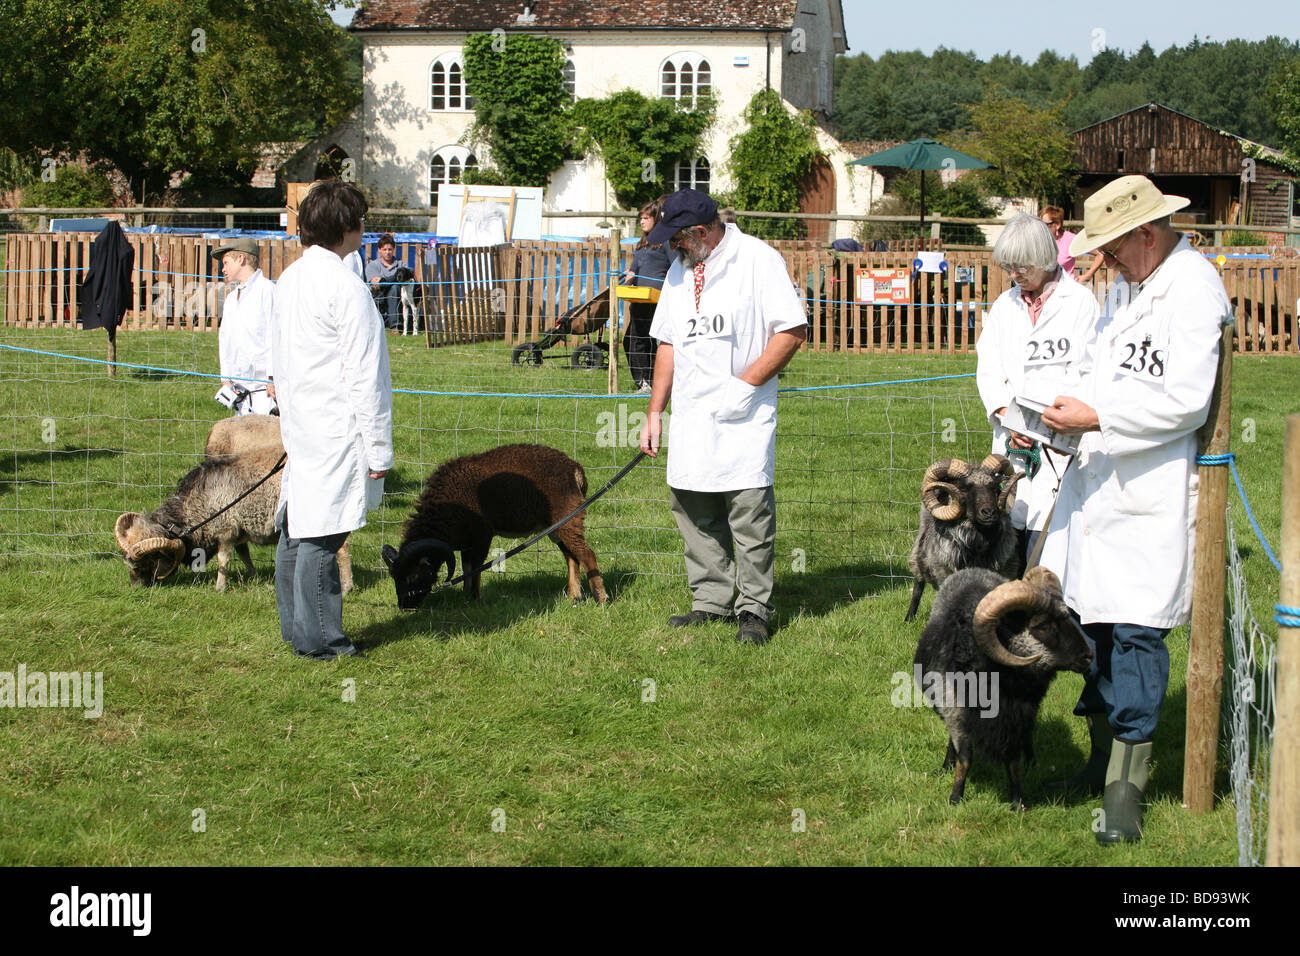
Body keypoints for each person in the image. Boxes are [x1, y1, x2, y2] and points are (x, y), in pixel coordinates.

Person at [1039, 175, 1231, 844]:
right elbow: (1101, 367)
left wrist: (1100, 417)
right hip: (1101, 484)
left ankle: (1126, 788)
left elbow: (1185, 400)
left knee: (1139, 634)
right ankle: (1099, 762)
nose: (1105, 264)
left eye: (1113, 250)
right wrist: (1066, 410)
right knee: (1094, 630)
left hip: (1150, 488)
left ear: (1146, 234)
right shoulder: (1131, 283)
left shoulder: (1194, 288)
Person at [637, 189, 808, 646]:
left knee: (747, 512)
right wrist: (654, 412)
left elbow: (791, 333)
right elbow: (668, 344)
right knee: (693, 505)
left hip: (743, 412)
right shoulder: (679, 269)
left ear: (702, 231)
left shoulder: (758, 260)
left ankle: (753, 609)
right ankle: (711, 600)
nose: (672, 246)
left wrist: (745, 386)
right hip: (692, 414)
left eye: (678, 238)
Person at [272, 180, 394, 660]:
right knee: (321, 533)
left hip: (303, 419)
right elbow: (366, 377)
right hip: (335, 425)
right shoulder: (347, 287)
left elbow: (277, 356)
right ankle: (321, 640)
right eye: (360, 220)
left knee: (297, 525)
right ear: (348, 227)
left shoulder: (292, 278)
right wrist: (380, 449)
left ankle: (295, 627)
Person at [976, 214, 1099, 568]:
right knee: (1007, 532)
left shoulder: (1080, 304)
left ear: (1045, 258)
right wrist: (1007, 418)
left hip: (1059, 441)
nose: (1015, 273)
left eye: (1022, 265)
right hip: (1012, 440)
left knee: (1052, 540)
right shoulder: (1004, 307)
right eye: (1009, 266)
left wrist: (1048, 424)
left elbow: (1086, 370)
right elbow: (989, 369)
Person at [212, 237, 277, 415]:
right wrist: (226, 377)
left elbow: (274, 336)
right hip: (240, 387)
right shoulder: (232, 298)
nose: (223, 269)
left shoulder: (267, 291)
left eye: (226, 263)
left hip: (263, 389)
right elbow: (224, 339)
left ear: (241, 259)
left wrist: (272, 378)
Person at [622, 196, 672, 392]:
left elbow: (675, 266)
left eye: (646, 218)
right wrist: (628, 277)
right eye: (640, 218)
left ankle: (651, 382)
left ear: (656, 219)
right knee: (631, 340)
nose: (642, 221)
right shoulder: (642, 244)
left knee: (651, 340)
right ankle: (642, 381)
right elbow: (633, 270)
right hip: (638, 298)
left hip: (657, 299)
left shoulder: (666, 242)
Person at [1041, 205, 1102, 283]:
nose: (1041, 228)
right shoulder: (1039, 241)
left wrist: (1087, 275)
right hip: (1044, 290)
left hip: (1066, 290)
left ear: (1057, 225)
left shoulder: (1070, 239)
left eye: (1045, 225)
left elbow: (1100, 254)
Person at [365, 233, 408, 332]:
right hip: (379, 297)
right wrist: (395, 277)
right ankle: (394, 326)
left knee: (394, 288)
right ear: (379, 250)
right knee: (393, 286)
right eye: (384, 249)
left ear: (393, 249)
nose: (387, 252)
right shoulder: (372, 266)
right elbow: (376, 284)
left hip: (399, 298)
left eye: (390, 249)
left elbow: (408, 273)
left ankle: (395, 327)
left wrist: (384, 280)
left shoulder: (400, 264)